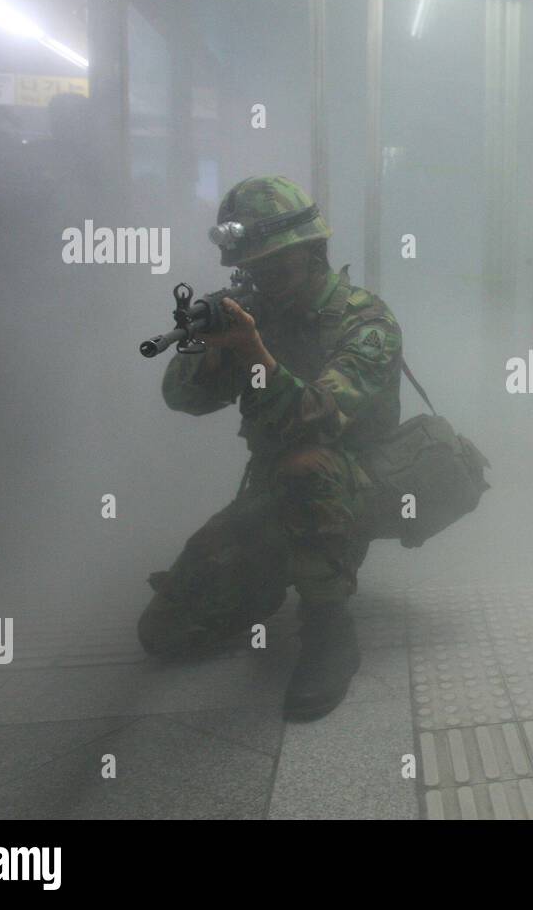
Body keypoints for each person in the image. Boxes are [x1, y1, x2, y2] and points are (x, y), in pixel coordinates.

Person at [138, 175, 402, 719]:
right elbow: (181, 399)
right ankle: (266, 577)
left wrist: (255, 351)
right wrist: (213, 353)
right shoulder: (251, 312)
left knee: (306, 465)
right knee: (166, 632)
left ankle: (330, 630)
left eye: (277, 269)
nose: (265, 283)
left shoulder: (365, 320)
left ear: (313, 254)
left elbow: (321, 421)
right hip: (277, 486)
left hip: (356, 480)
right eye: (252, 271)